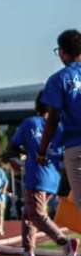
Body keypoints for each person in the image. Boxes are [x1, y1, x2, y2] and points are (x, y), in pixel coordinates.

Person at [6, 93, 76, 256]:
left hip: (36, 175)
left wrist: (16, 157)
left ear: (37, 106)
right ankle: (29, 253)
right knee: (29, 213)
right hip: (53, 178)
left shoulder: (30, 123)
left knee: (37, 215)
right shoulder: (59, 127)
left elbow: (13, 147)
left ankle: (65, 242)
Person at [39, 30, 81, 222]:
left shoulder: (59, 79)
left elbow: (52, 119)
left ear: (63, 52)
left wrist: (42, 149)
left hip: (76, 145)